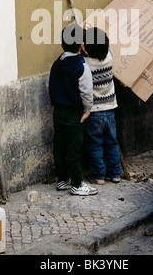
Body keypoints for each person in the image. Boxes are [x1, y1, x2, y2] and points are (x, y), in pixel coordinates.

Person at [49, 23, 98, 196]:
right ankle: (77, 184)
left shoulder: (56, 65)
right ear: (82, 45)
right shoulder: (81, 67)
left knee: (60, 148)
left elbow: (51, 86)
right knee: (74, 149)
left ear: (61, 44)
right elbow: (86, 92)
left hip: (58, 112)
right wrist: (87, 111)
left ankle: (63, 179)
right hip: (74, 113)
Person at [83, 27, 122, 185]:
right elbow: (106, 48)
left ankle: (99, 176)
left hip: (94, 112)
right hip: (110, 109)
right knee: (111, 142)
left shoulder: (86, 64)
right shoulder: (109, 57)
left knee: (95, 145)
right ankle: (115, 174)